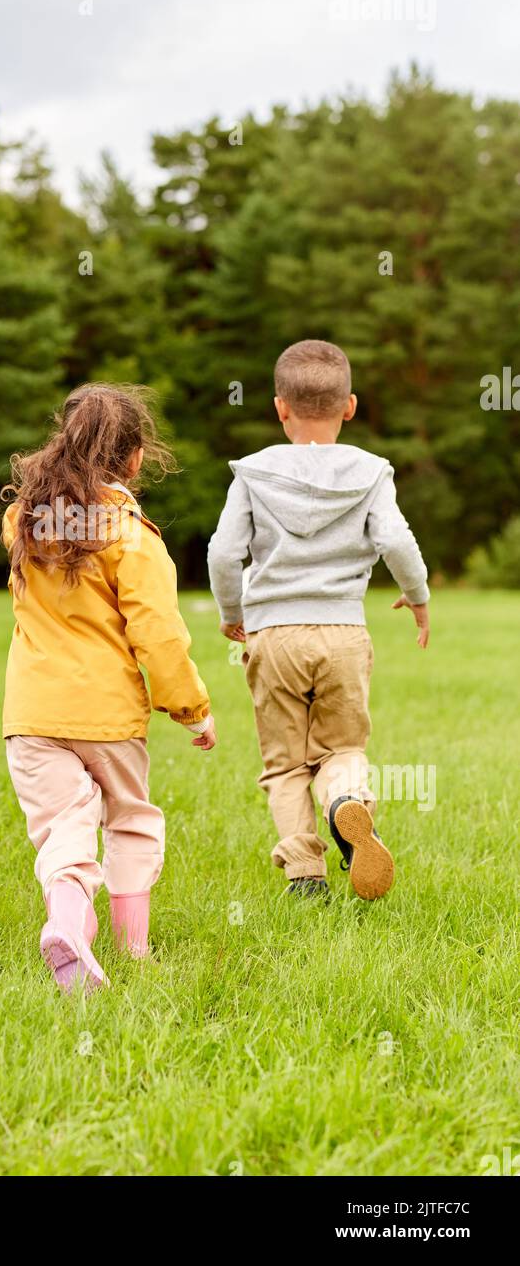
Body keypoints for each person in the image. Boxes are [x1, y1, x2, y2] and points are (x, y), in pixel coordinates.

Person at [2, 383, 215, 990]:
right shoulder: (133, 538)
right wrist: (192, 709)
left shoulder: (24, 522)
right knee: (130, 820)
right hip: (109, 719)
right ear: (137, 457)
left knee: (66, 828)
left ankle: (68, 920)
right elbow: (161, 637)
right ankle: (135, 949)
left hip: (32, 718)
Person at [207, 340, 430, 900]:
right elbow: (396, 540)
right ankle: (346, 802)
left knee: (284, 764)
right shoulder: (370, 473)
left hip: (274, 633)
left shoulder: (254, 474)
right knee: (343, 749)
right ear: (349, 407)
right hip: (344, 633)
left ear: (280, 407)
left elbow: (222, 553)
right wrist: (417, 594)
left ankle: (305, 874)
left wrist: (233, 613)